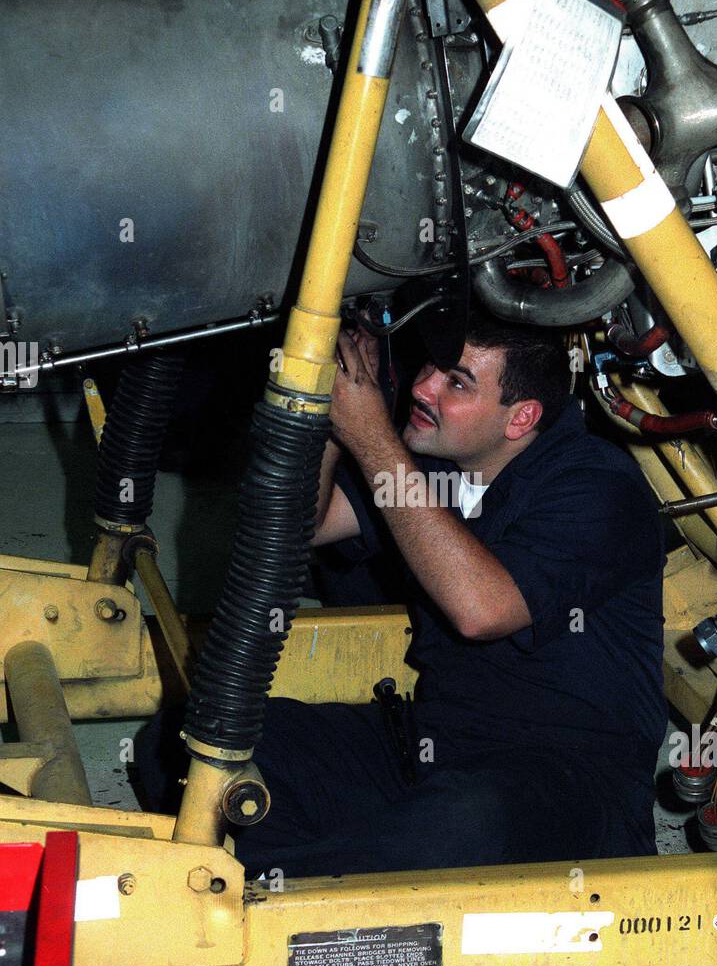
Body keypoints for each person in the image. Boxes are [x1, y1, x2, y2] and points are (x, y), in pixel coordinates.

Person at [136, 313, 667, 875]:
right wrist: (331, 420)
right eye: (431, 365)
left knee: (457, 827)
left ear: (521, 418)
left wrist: (372, 437)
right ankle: (308, 880)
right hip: (437, 741)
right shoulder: (437, 462)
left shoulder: (599, 485)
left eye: (456, 382)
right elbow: (303, 525)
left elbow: (481, 610)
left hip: (572, 776)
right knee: (188, 747)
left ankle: (277, 886)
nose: (423, 386)